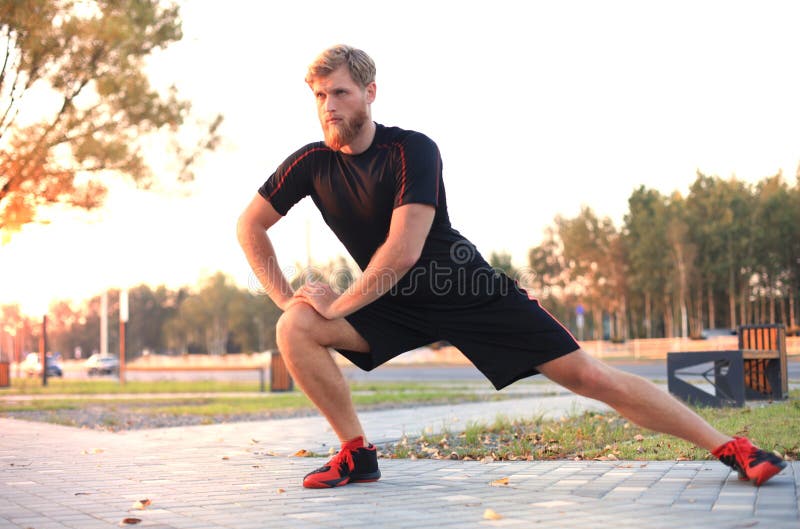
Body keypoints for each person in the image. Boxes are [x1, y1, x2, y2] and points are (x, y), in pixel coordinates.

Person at [237, 45, 786, 489]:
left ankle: (732, 448)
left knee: (589, 377)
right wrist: (289, 299)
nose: (328, 105)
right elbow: (250, 226)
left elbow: (403, 251)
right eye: (318, 96)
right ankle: (357, 454)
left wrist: (339, 301)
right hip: (388, 306)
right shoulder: (310, 162)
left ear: (369, 94)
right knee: (295, 327)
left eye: (339, 92)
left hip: (465, 290)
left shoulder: (413, 150)